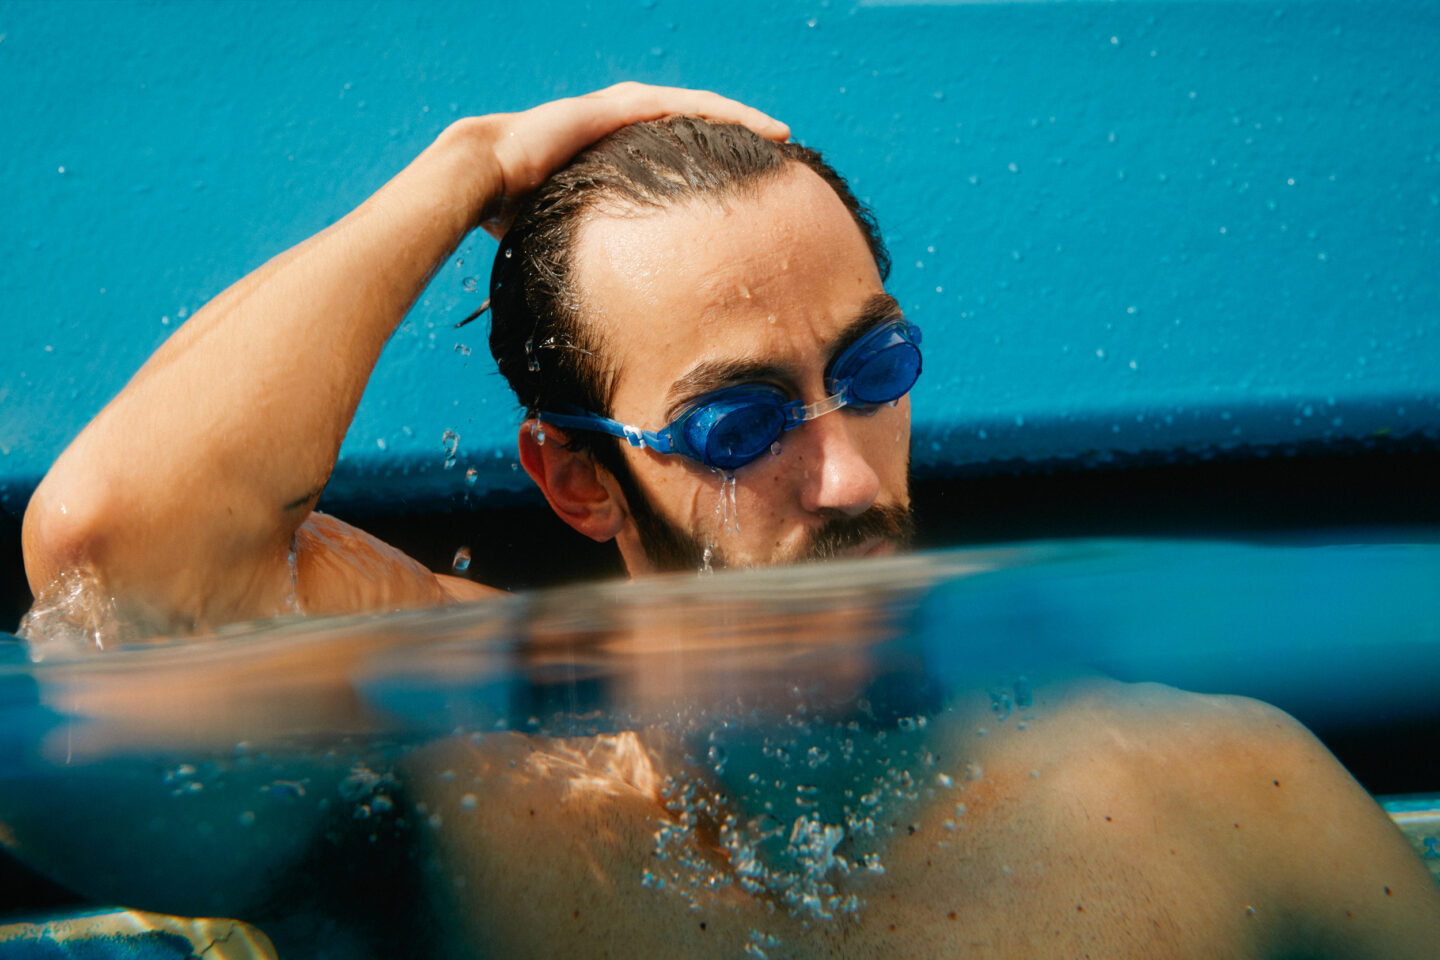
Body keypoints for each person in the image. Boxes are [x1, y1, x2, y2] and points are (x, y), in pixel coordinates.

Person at [15, 84, 1440, 957]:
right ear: (580, 480)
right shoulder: (459, 787)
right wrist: (472, 165)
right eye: (738, 425)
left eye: (871, 371)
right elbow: (119, 563)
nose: (845, 478)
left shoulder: (1219, 799)